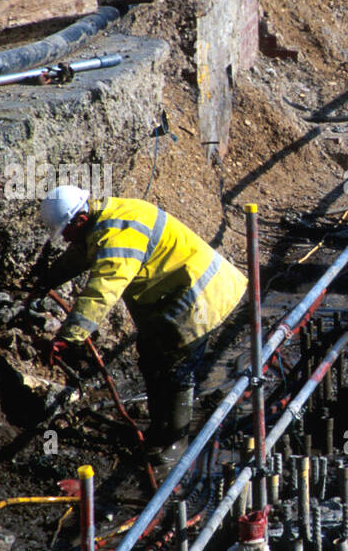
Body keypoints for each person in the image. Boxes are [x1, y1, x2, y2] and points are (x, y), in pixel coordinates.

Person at [35, 185, 247, 464]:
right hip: (184, 294)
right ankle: (159, 431)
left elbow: (103, 290)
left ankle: (176, 443)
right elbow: (83, 253)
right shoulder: (108, 218)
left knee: (177, 370)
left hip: (200, 298)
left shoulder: (117, 234)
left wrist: (68, 337)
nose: (64, 239)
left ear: (81, 220)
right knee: (150, 359)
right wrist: (48, 278)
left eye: (66, 232)